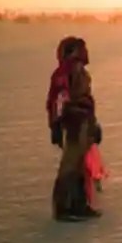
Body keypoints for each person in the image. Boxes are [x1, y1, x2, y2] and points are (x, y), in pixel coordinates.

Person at [50, 37, 102, 221]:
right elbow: (58, 101)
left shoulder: (80, 72)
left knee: (81, 166)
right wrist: (55, 125)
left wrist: (93, 125)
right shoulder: (65, 72)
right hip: (73, 124)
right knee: (70, 166)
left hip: (83, 123)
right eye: (82, 48)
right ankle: (63, 207)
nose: (86, 52)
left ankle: (79, 205)